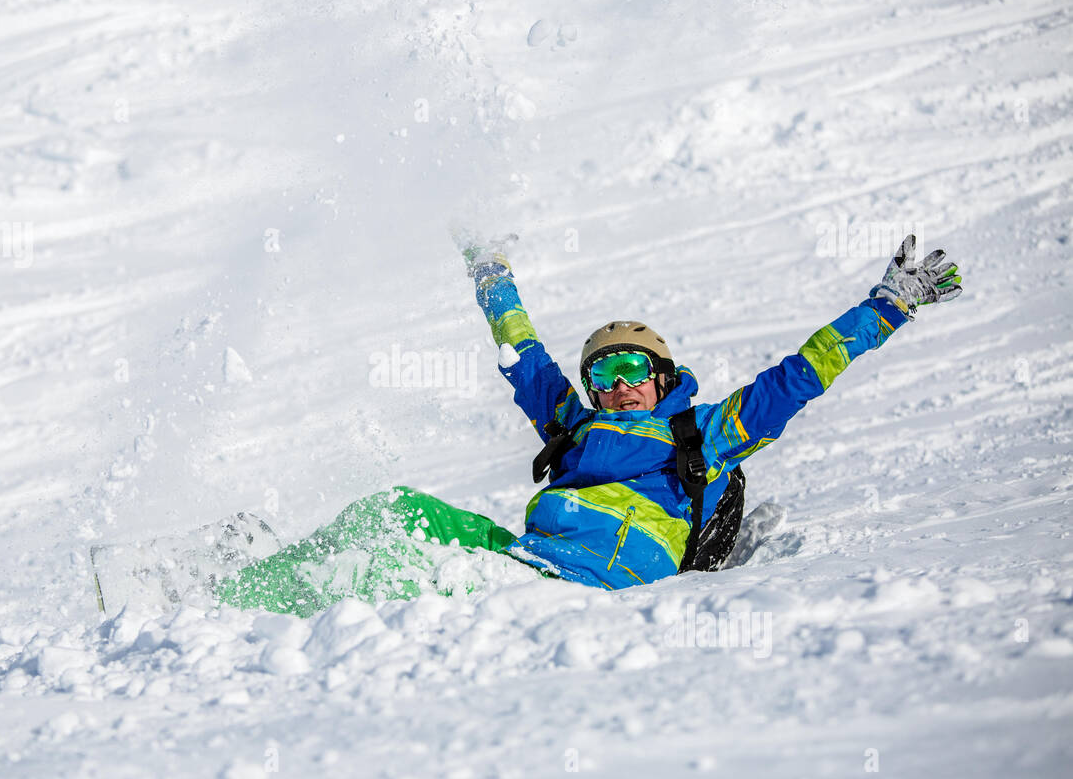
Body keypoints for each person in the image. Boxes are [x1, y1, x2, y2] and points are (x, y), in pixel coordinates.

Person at [212, 232, 962, 616]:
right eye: (603, 374)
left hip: (589, 584)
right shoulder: (573, 429)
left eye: (634, 371)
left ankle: (242, 609)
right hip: (528, 560)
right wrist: (490, 271)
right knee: (396, 511)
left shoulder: (702, 433)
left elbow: (798, 376)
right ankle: (247, 584)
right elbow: (523, 356)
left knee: (392, 569)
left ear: (663, 380)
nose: (620, 386)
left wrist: (888, 306)